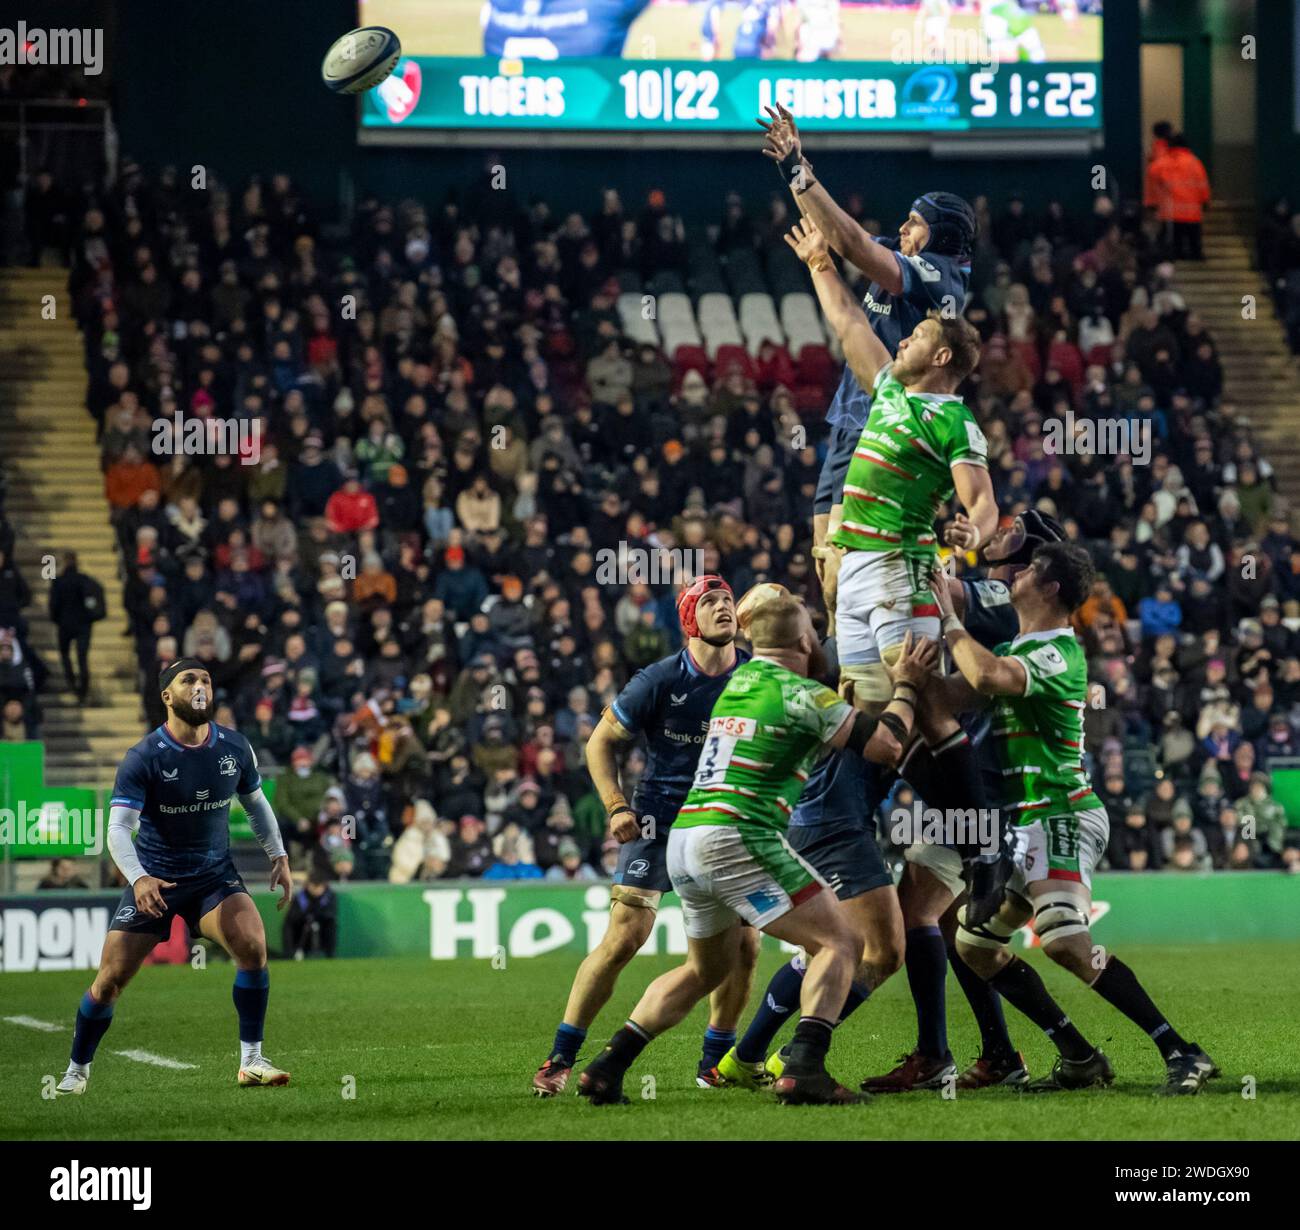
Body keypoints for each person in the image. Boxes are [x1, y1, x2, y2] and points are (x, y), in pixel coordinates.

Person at [576, 592, 934, 1106]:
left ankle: (607, 1065)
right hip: (738, 836)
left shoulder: (739, 683)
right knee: (840, 944)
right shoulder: (800, 694)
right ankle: (804, 1066)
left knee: (705, 971)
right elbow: (888, 746)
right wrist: (907, 685)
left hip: (686, 840)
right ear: (804, 641)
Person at [933, 543, 1219, 1094]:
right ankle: (1078, 1055)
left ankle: (1183, 1051)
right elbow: (958, 693)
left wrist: (949, 619)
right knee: (972, 946)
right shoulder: (1021, 647)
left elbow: (988, 676)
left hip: (1063, 811)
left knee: (1064, 940)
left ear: (1052, 589)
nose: (1015, 575)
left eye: (1029, 570)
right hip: (1027, 822)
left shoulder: (1058, 651)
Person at [532, 576, 763, 1095]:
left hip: (726, 823)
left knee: (744, 948)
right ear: (688, 620)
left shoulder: (757, 676)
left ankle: (714, 1062)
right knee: (625, 936)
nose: (724, 607)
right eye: (710, 602)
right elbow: (598, 744)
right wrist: (616, 805)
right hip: (658, 821)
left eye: (728, 600)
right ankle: (560, 1057)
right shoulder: (659, 679)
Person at [759, 103, 976, 636]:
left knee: (843, 568)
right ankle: (842, 668)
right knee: (824, 569)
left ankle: (896, 656)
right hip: (851, 418)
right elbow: (839, 234)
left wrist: (796, 168)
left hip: (887, 425)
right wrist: (797, 172)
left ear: (942, 238)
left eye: (916, 223)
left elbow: (852, 242)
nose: (902, 227)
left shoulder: (942, 279)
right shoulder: (904, 255)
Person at [54, 658, 293, 1095]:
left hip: (213, 877)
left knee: (254, 946)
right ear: (167, 696)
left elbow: (255, 804)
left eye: (205, 680)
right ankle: (77, 1069)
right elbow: (118, 830)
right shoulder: (144, 757)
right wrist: (139, 878)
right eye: (189, 680)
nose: (200, 687)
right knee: (109, 982)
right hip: (156, 882)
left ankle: (252, 1060)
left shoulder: (235, 747)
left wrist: (278, 854)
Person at [48, 552, 106, 702]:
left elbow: (54, 605)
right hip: (84, 625)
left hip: (65, 624)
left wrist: (57, 619)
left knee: (65, 654)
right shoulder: (84, 580)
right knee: (82, 657)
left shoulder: (59, 582)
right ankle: (83, 689)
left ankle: (72, 682)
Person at [1148, 133, 1211, 261]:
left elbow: (1152, 176)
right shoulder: (1195, 163)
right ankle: (1195, 256)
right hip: (1192, 212)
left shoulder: (1162, 163)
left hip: (1170, 212)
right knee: (1194, 240)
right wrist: (1205, 201)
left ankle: (1175, 256)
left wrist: (1152, 202)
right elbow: (1202, 184)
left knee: (1174, 241)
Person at [283, 875, 338, 958]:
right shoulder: (300, 896)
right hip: (301, 929)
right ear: (308, 885)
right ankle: (289, 954)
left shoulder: (330, 896)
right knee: (288, 925)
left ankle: (330, 954)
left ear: (324, 886)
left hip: (322, 928)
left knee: (331, 924)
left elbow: (330, 915)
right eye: (313, 886)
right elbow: (293, 916)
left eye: (318, 886)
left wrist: (315, 914)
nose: (316, 890)